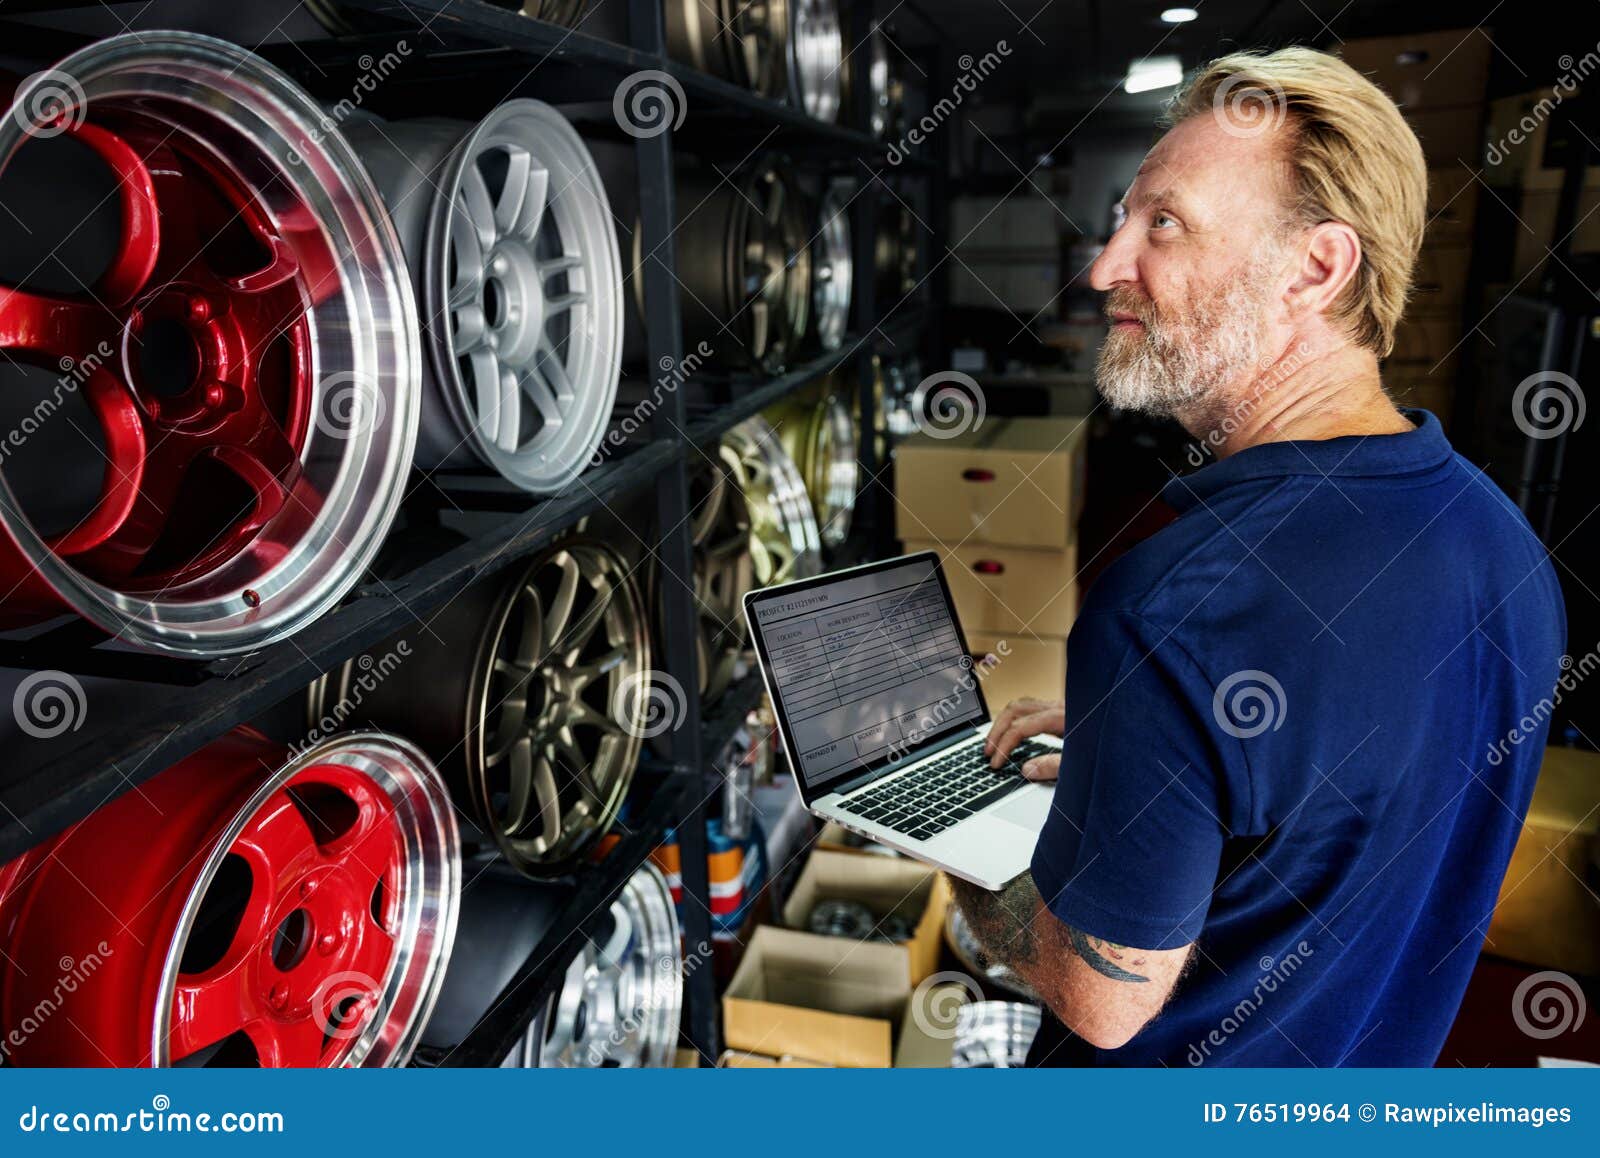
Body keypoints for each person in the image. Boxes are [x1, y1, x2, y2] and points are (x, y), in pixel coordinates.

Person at [950, 47, 1566, 1066]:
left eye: (1165, 224)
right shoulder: (1498, 542)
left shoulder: (1177, 606)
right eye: (1121, 220)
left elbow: (1097, 997)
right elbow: (1345, 793)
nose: (1106, 269)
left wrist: (957, 855)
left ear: (1315, 269)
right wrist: (1147, 759)